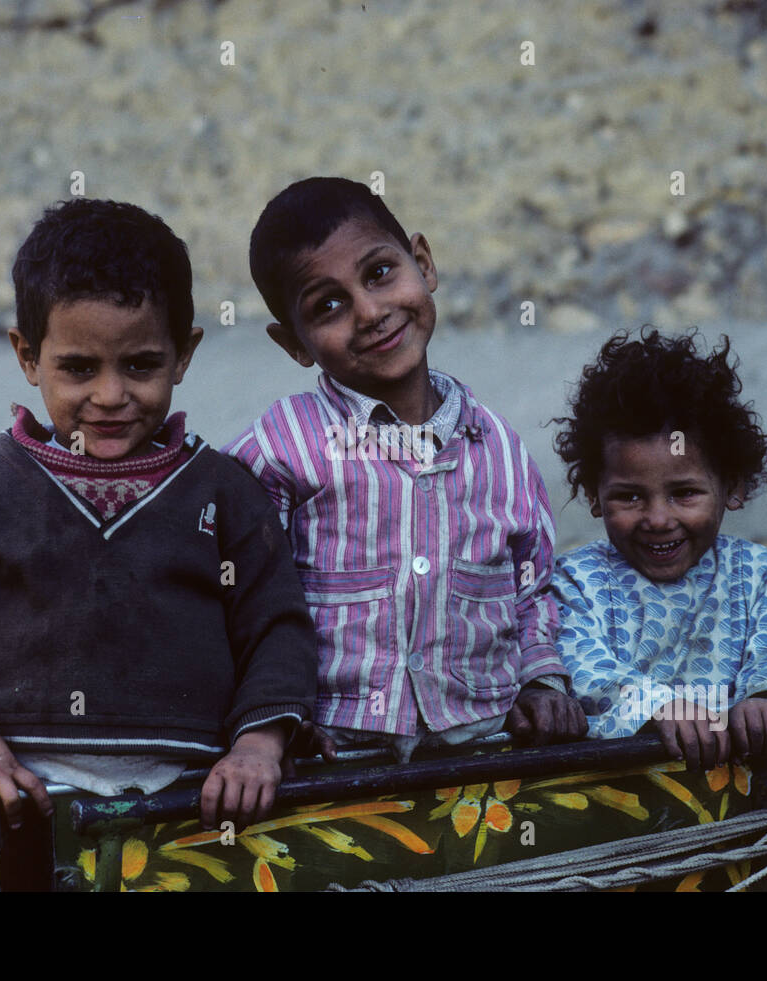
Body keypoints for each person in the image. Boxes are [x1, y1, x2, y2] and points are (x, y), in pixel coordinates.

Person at [0, 198, 315, 840]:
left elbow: (278, 627)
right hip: (19, 799)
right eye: (78, 368)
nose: (110, 396)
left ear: (183, 355)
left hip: (196, 808)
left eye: (141, 364)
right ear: (27, 356)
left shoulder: (223, 492)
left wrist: (258, 746)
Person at [226, 177, 586, 764]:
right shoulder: (278, 450)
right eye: (329, 305)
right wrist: (272, 722)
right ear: (293, 343)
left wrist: (541, 681)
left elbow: (532, 586)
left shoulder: (501, 450)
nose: (370, 312)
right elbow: (244, 604)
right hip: (330, 761)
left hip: (485, 746)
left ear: (423, 262)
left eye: (380, 274)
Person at [550, 327, 767, 769]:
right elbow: (579, 665)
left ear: (733, 488)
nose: (658, 519)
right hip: (617, 816)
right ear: (592, 494)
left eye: (684, 493)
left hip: (746, 821)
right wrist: (658, 708)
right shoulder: (574, 584)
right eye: (629, 496)